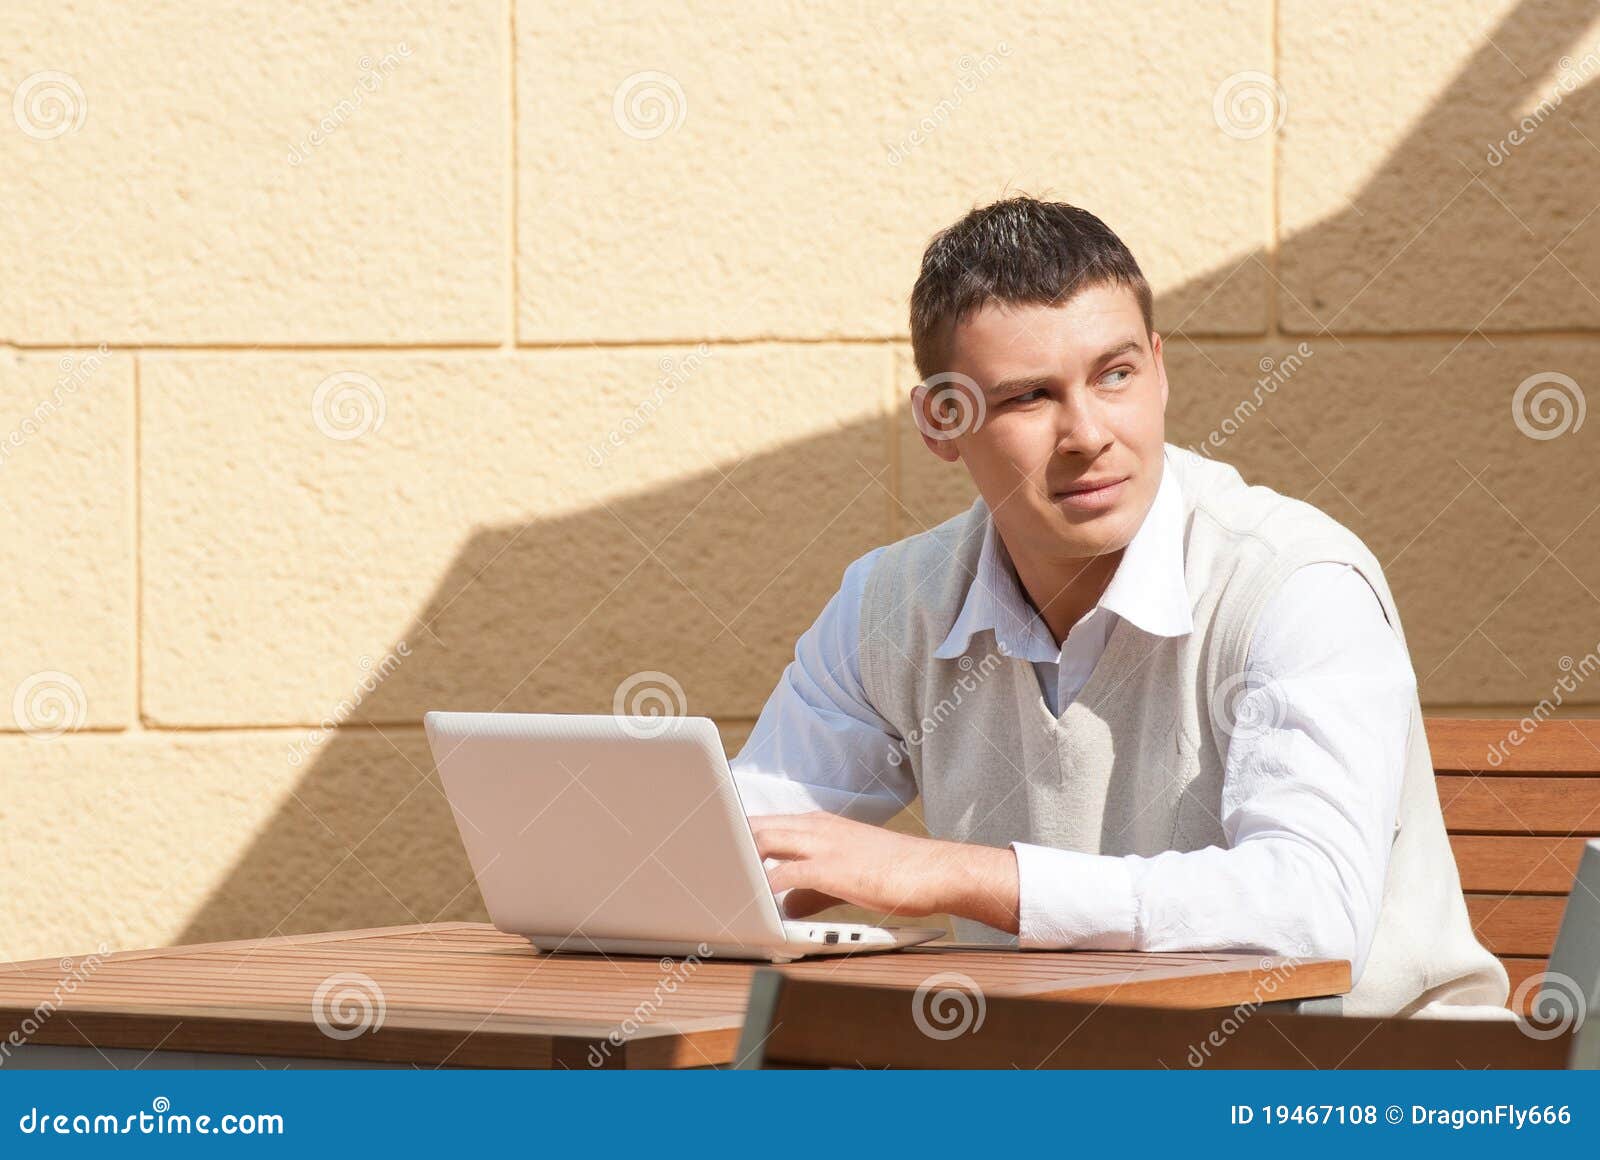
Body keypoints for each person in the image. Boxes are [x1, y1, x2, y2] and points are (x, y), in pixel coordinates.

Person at [730, 195, 1509, 1017]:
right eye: (1031, 396)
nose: (1088, 433)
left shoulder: (1293, 580)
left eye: (1115, 375)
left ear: (1160, 368)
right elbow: (732, 854)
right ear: (941, 421)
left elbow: (1312, 909)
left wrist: (957, 875)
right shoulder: (893, 603)